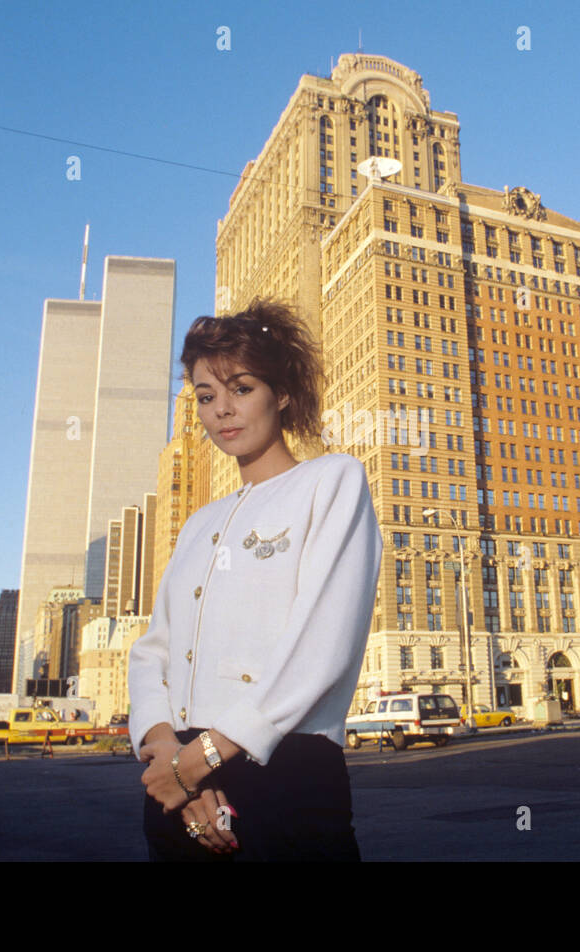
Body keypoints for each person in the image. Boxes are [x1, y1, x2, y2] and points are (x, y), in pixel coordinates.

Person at [128, 299, 382, 861]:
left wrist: (200, 762)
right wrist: (169, 752)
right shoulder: (199, 523)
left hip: (285, 777)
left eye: (241, 388)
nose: (223, 410)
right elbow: (154, 652)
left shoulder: (331, 481)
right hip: (181, 790)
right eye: (206, 396)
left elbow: (322, 647)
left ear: (282, 394)